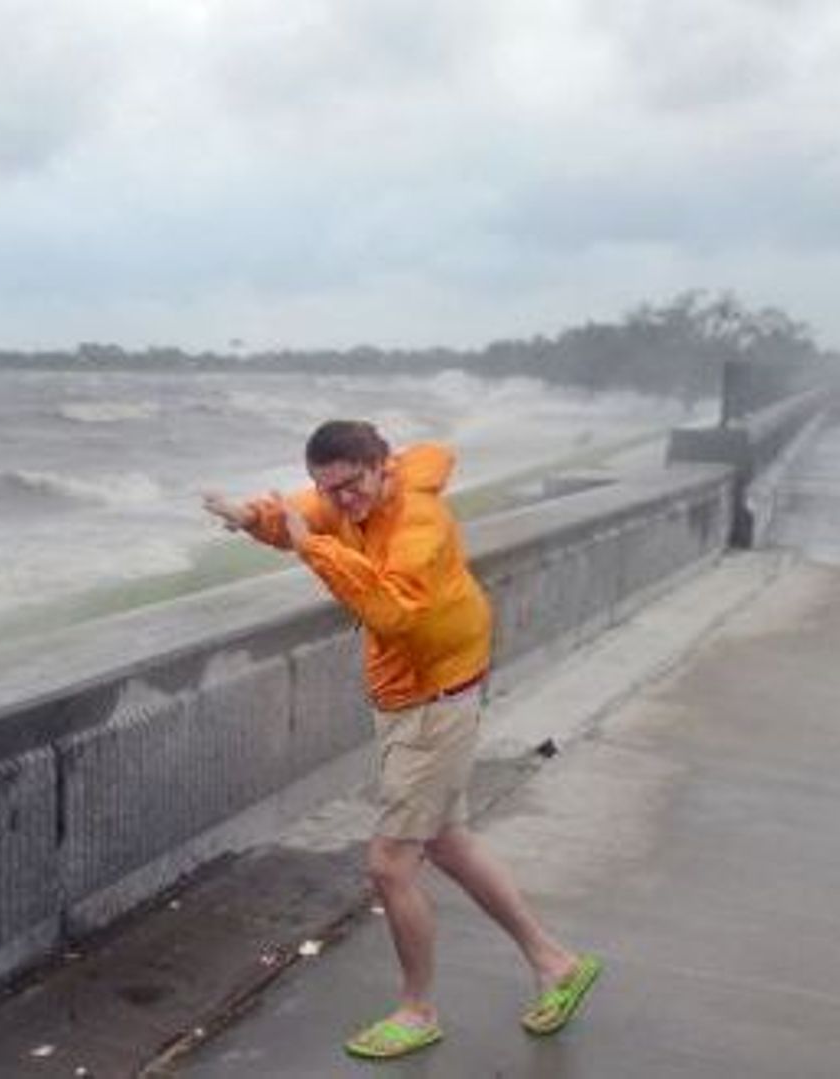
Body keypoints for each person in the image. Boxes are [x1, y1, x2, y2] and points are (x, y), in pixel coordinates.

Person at [201, 419, 600, 1061]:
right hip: (417, 696)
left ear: (382, 464)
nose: (342, 501)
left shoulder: (418, 522)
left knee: (390, 864)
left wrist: (317, 550)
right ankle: (555, 961)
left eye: (351, 485)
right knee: (448, 843)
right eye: (329, 488)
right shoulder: (346, 498)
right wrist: (250, 515)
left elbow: (391, 610)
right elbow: (299, 516)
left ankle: (417, 1010)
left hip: (434, 705)